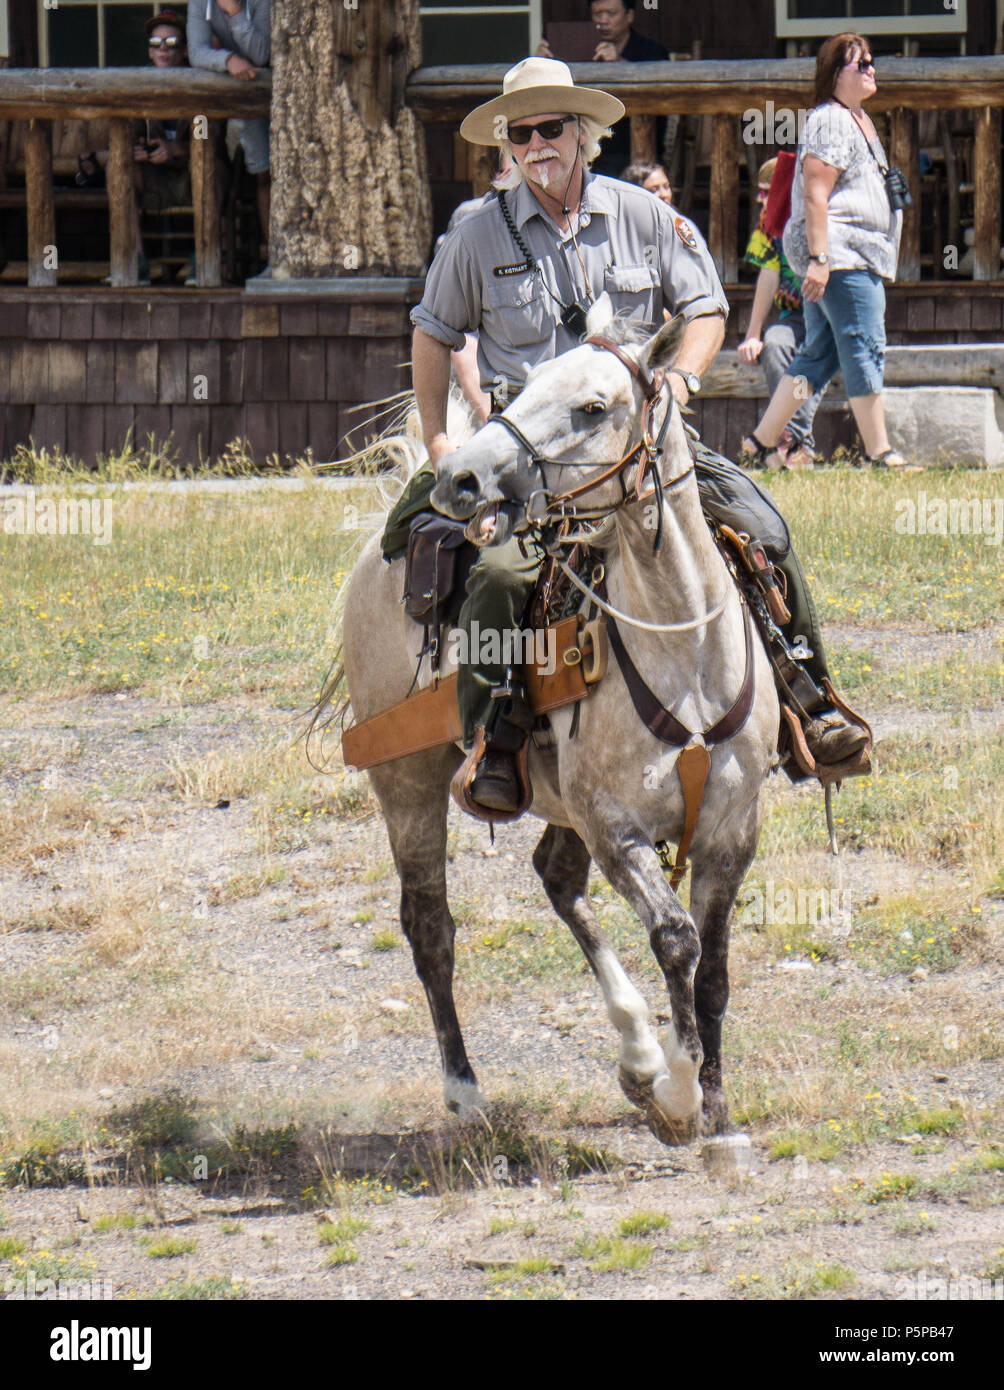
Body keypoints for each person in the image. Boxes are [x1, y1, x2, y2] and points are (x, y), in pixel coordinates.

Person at [386, 57, 869, 813]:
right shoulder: (475, 235)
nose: (538, 143)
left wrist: (679, 381)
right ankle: (496, 740)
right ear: (507, 146)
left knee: (762, 529)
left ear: (584, 134)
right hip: (534, 458)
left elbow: (706, 309)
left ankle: (810, 702)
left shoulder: (644, 215)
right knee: (502, 578)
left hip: (644, 437)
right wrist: (442, 443)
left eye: (553, 127)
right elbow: (431, 334)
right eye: (522, 132)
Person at [741, 33, 914, 470]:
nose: (873, 69)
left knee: (817, 356)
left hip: (848, 254)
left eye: (873, 61)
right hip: (841, 256)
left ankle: (760, 443)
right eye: (863, 64)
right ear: (837, 73)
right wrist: (820, 259)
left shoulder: (858, 119)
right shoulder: (832, 120)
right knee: (864, 343)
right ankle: (880, 451)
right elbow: (816, 191)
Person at [76, 9, 191, 284]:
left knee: (214, 171)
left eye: (171, 43)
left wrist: (175, 150)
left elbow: (212, 141)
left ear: (185, 51)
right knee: (118, 167)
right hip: (152, 178)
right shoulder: (138, 88)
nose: (163, 49)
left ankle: (207, 259)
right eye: (156, 44)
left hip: (191, 176)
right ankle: (134, 261)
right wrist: (135, 150)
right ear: (150, 53)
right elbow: (127, 135)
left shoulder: (202, 87)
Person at [738, 156, 821, 470]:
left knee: (812, 357)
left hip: (827, 317)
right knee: (775, 344)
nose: (763, 202)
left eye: (768, 193)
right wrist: (752, 333)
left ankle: (789, 440)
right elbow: (768, 275)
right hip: (795, 317)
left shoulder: (813, 217)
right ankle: (797, 442)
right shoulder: (766, 225)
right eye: (760, 194)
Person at [538, 1, 668, 177]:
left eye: (611, 13)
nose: (603, 20)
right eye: (597, 14)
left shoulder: (651, 51)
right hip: (581, 142)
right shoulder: (576, 46)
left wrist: (619, 65)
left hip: (629, 147)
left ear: (629, 16)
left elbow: (660, 93)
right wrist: (538, 64)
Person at [187, 0, 271, 259]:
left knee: (274, 176)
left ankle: (279, 256)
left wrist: (235, 14)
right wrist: (228, 59)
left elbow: (261, 54)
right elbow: (197, 53)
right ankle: (217, 261)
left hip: (266, 99)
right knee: (254, 175)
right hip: (225, 100)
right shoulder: (200, 3)